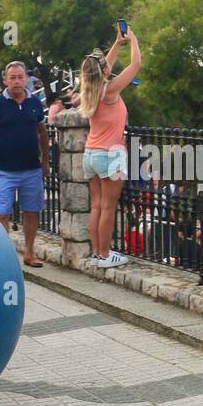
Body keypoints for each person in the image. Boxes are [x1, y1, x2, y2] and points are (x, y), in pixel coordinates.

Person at [0, 61, 49, 266]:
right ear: (5, 80)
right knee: (2, 214)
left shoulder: (34, 103)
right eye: (12, 77)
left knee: (31, 212)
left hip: (32, 169)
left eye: (20, 77)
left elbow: (42, 133)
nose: (16, 81)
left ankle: (29, 254)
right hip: (4, 170)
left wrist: (46, 161)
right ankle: (6, 258)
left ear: (26, 79)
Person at [80, 25, 142, 269]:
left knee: (96, 205)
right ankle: (105, 255)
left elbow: (103, 66)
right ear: (103, 71)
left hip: (91, 153)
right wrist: (133, 39)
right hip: (111, 154)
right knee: (108, 206)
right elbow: (135, 66)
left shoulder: (90, 89)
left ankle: (97, 253)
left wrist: (117, 43)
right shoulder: (110, 90)